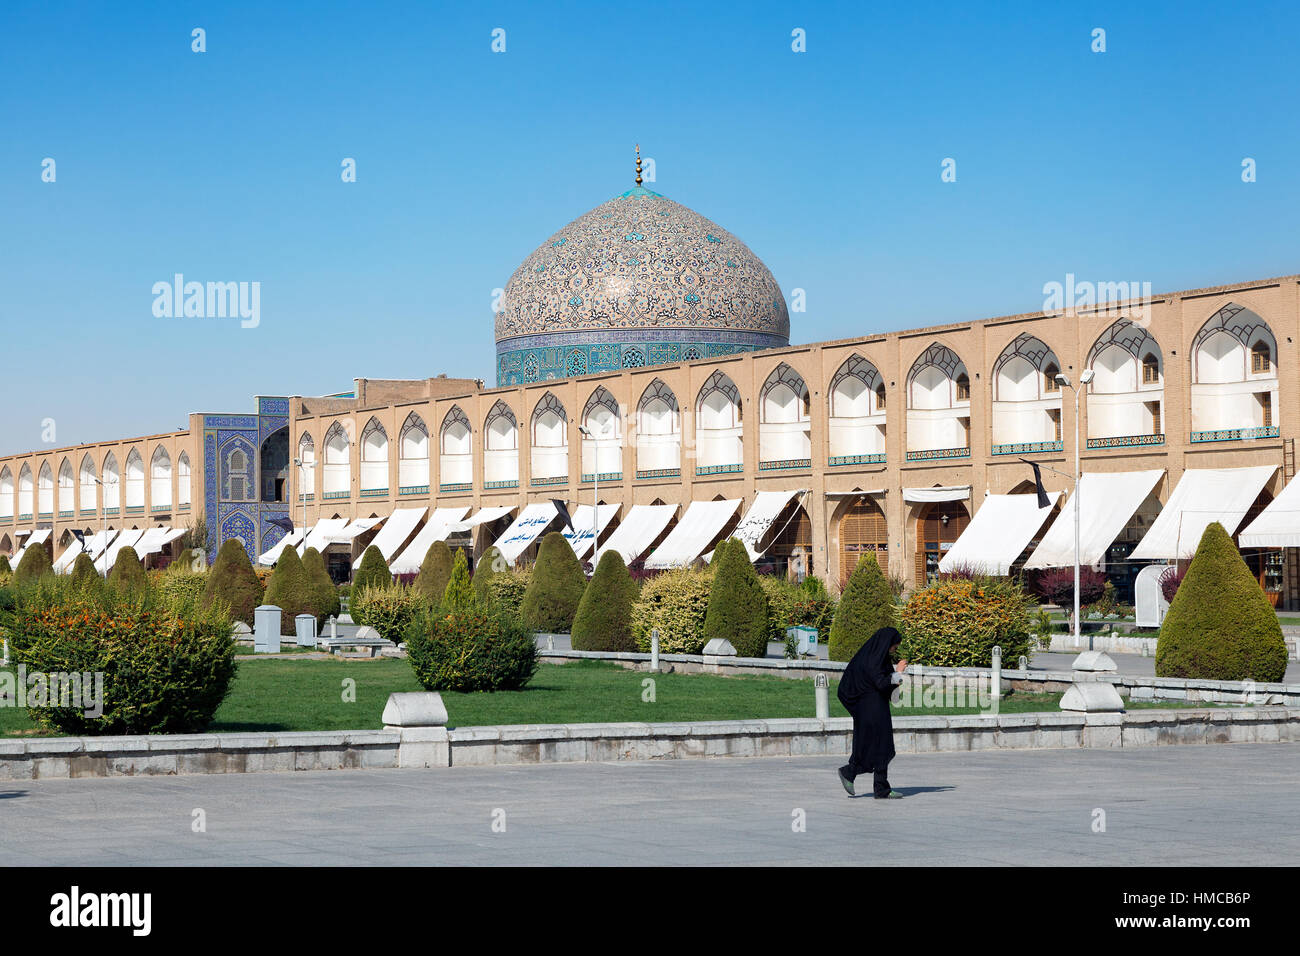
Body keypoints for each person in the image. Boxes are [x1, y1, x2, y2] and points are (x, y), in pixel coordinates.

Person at [836, 626, 907, 799]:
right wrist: (897, 673)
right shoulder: (871, 660)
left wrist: (895, 679)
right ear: (887, 643)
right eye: (894, 647)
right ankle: (849, 772)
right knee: (874, 745)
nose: (894, 650)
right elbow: (881, 683)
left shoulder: (879, 658)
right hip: (870, 708)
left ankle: (881, 788)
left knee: (883, 746)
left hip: (877, 707)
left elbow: (887, 685)